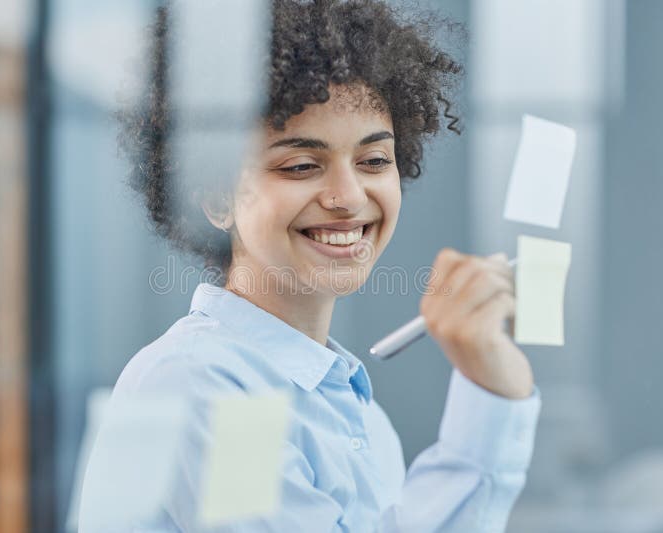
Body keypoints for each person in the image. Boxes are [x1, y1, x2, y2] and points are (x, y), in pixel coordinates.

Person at [102, 0, 541, 530]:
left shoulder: (364, 422)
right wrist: (487, 405)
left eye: (375, 160)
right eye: (302, 165)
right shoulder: (207, 387)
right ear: (216, 198)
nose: (348, 196)